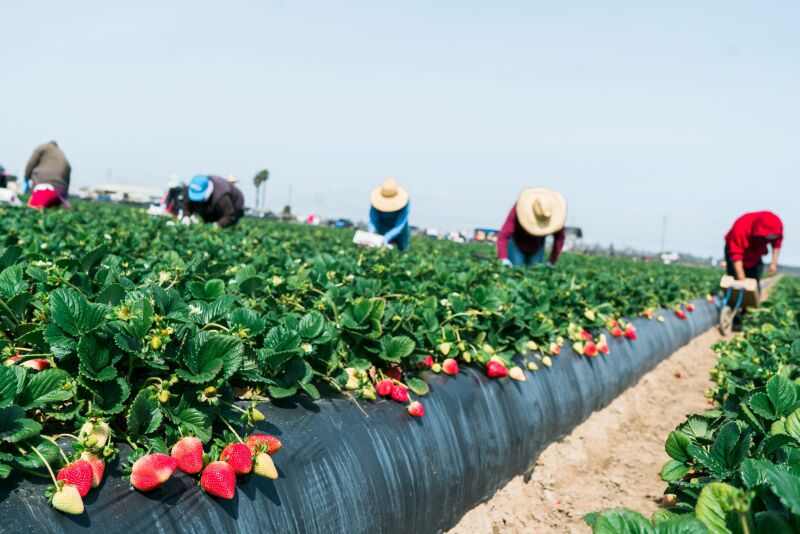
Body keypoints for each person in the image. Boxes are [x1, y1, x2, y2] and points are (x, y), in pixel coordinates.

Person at [497, 188, 566, 267]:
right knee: (517, 268)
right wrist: (503, 257)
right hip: (517, 243)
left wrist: (552, 261)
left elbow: (559, 239)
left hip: (537, 245)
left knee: (534, 271)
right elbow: (504, 234)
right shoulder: (519, 209)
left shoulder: (554, 217)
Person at [724, 211, 782, 282]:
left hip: (755, 254)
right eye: (769, 236)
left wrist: (774, 263)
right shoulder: (741, 226)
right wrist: (742, 279)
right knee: (736, 282)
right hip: (735, 254)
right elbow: (736, 254)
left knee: (754, 281)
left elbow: (776, 244)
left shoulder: (776, 228)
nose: (770, 239)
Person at [24, 141, 71, 209]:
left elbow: (31, 163)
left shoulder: (43, 147)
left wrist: (26, 178)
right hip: (61, 193)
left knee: (31, 208)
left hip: (46, 188)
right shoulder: (62, 155)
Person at [368, 178, 410, 251]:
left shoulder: (405, 203)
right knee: (381, 249)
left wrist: (386, 238)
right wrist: (371, 236)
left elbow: (400, 225)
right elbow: (373, 221)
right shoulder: (375, 203)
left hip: (400, 229)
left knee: (402, 248)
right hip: (383, 227)